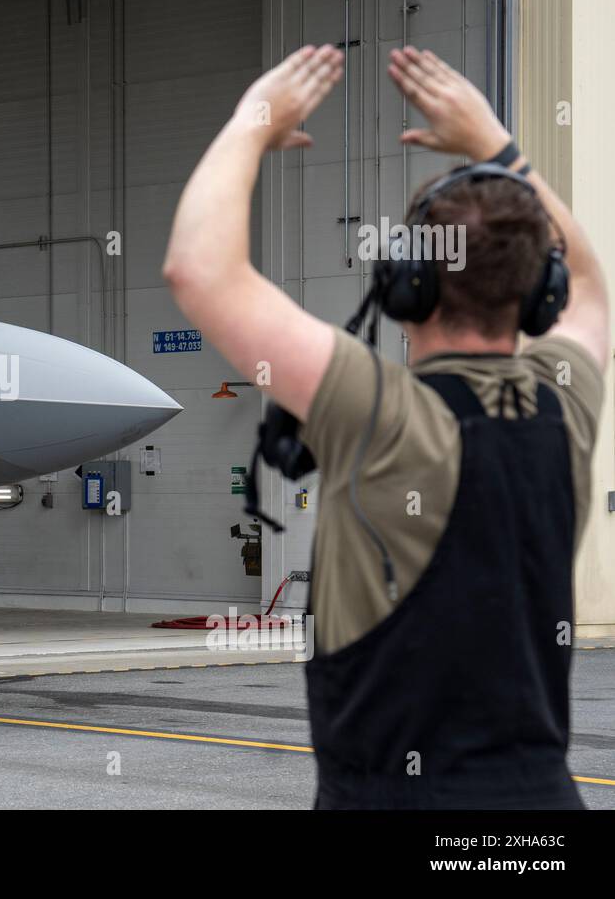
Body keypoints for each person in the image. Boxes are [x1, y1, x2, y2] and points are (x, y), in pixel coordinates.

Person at [161, 44, 607, 809]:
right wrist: (495, 146)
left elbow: (199, 270)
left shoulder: (378, 411)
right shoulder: (562, 404)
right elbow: (592, 285)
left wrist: (252, 121)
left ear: (407, 285)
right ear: (539, 292)